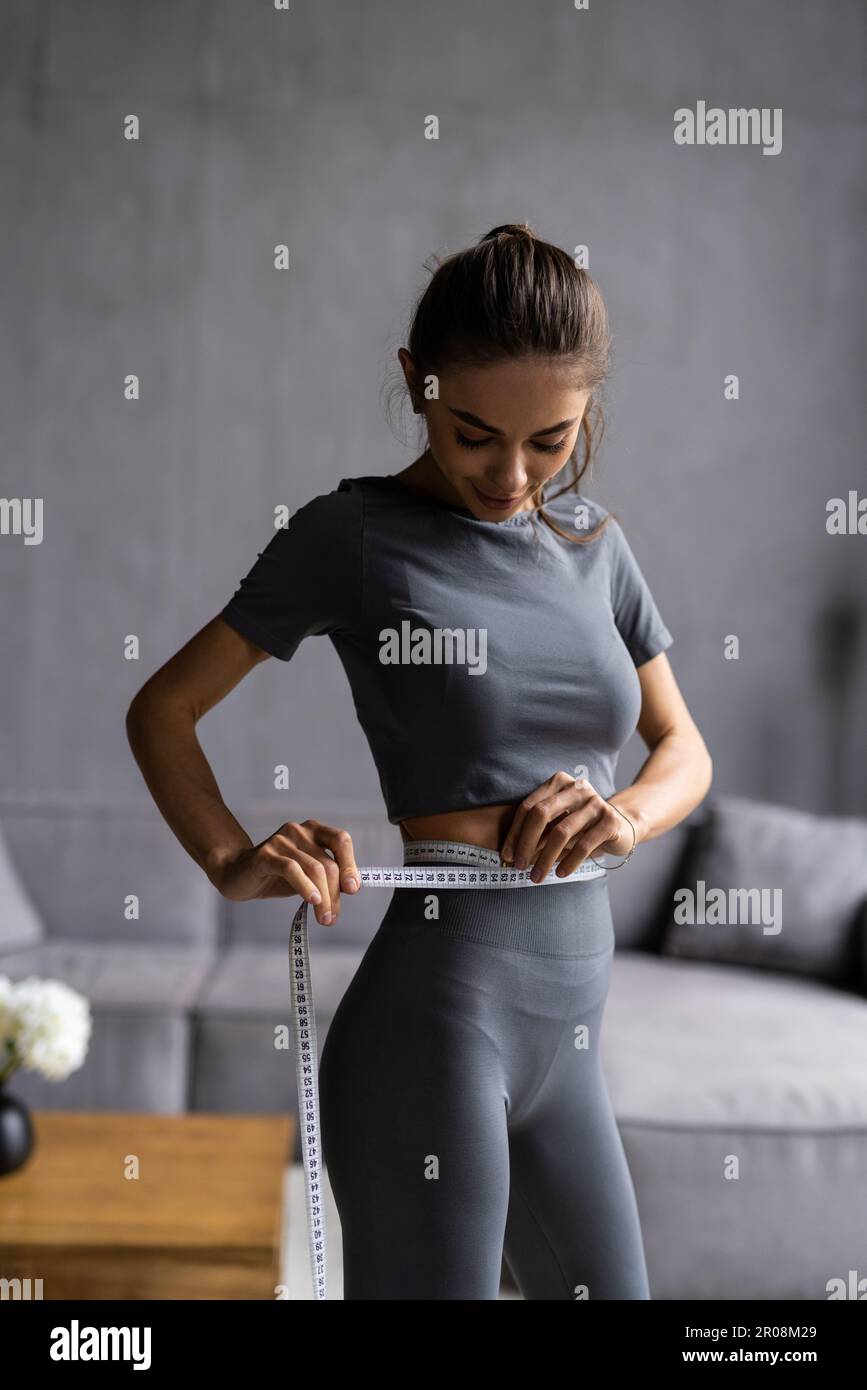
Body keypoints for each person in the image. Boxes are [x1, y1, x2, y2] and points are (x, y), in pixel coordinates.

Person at [126, 223, 713, 1300]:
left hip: (570, 1042)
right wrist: (230, 856)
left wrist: (625, 816)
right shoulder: (352, 534)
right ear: (417, 382)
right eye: (473, 432)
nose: (511, 474)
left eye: (551, 440)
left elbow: (682, 748)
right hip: (438, 1028)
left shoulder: (597, 545)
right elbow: (164, 708)